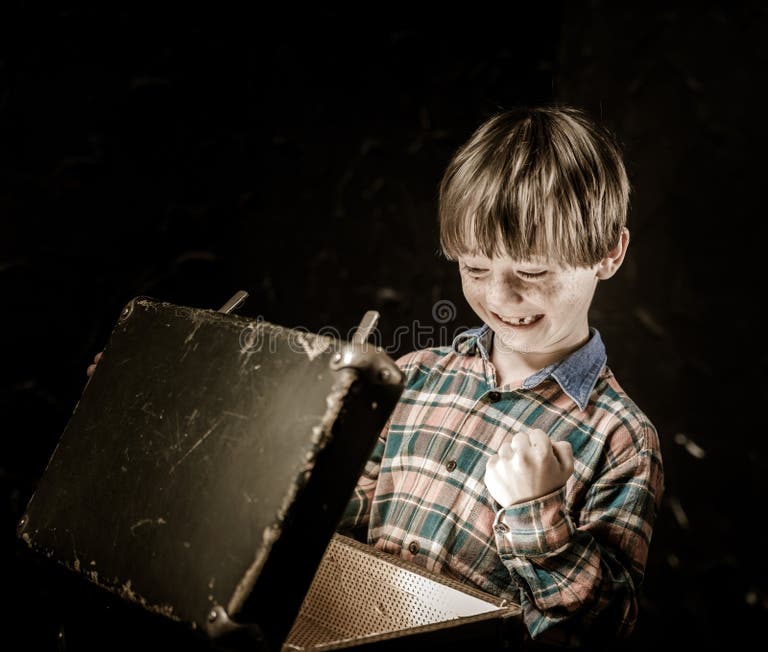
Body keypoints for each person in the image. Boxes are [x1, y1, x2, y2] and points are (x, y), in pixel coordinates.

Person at [337, 105, 664, 648]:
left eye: (531, 271)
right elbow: (340, 527)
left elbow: (598, 632)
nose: (498, 296)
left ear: (609, 253)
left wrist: (535, 513)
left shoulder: (622, 439)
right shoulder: (414, 377)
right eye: (474, 268)